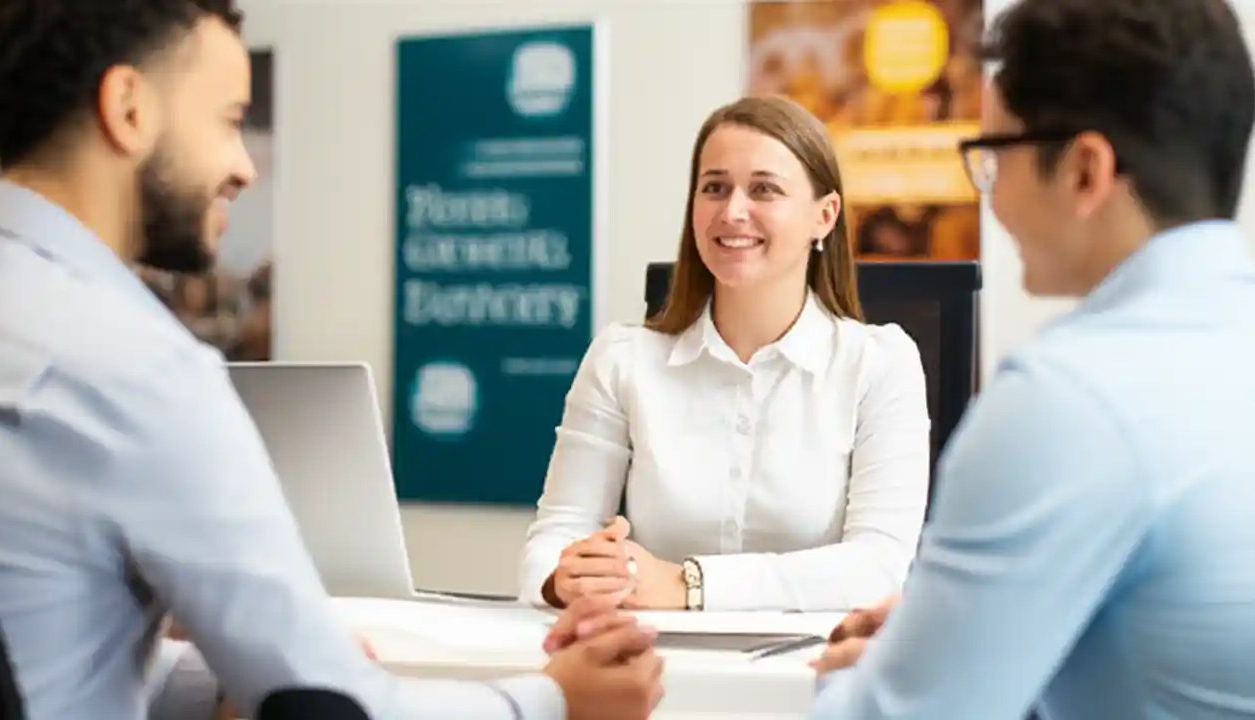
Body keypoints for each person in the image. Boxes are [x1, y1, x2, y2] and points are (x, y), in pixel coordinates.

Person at [0, 2, 662, 719]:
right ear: (127, 108)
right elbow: (332, 710)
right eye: (228, 118)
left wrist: (216, 682)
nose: (243, 165)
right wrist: (552, 702)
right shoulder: (139, 370)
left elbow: (45, 649)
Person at [807, 0, 1255, 717]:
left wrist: (871, 676)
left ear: (1085, 171)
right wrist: (971, 633)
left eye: (994, 157)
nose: (994, 196)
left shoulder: (1070, 398)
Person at [520, 96, 931, 613]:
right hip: (646, 669)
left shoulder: (879, 364)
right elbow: (554, 540)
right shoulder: (621, 359)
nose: (732, 211)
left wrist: (688, 585)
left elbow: (878, 569)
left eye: (764, 189)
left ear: (824, 217)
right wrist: (568, 578)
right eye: (714, 187)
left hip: (813, 675)